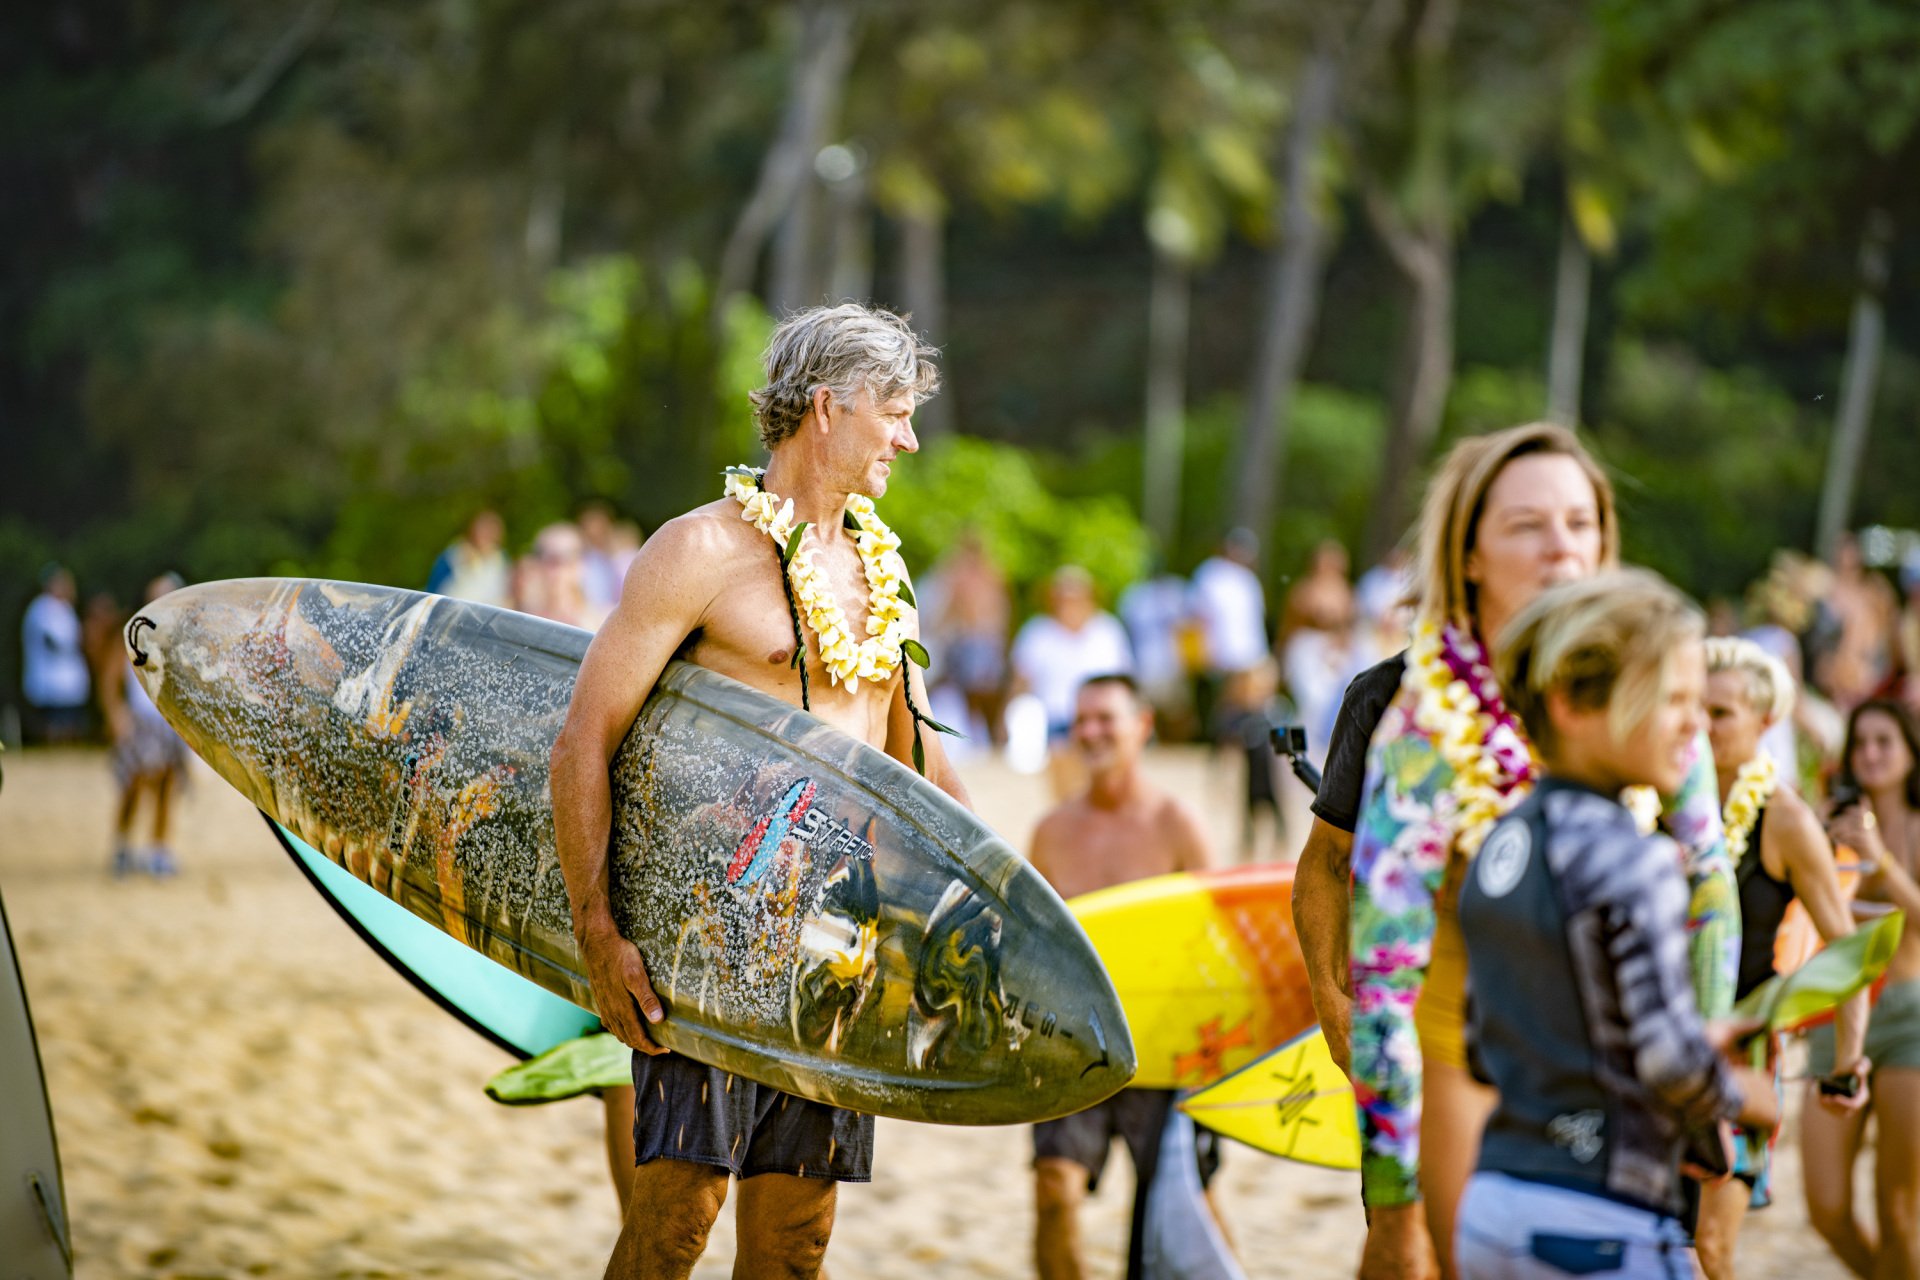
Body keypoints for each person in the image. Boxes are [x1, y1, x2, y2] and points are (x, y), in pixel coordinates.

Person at [549, 303, 965, 1280]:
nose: (906, 436)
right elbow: (583, 741)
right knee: (676, 1220)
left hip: (835, 943)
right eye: (894, 412)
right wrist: (597, 931)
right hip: (707, 933)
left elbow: (917, 763)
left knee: (794, 1241)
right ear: (828, 406)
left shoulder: (881, 565)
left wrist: (998, 890)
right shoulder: (698, 552)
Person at [1290, 423, 1737, 1278]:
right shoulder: (1415, 720)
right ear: (1468, 553)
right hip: (1465, 1040)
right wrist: (1390, 1204)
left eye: (1581, 524)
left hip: (1637, 1039)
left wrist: (1705, 1062)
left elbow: (1709, 872)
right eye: (1528, 525)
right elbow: (1382, 971)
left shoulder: (1652, 688)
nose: (1561, 548)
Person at [1455, 570, 1779, 1279]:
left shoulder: (1503, 844)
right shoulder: (1635, 859)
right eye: (1672, 699)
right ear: (1572, 703)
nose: (1695, 723)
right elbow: (1667, 1066)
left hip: (1494, 1204)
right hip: (1601, 1221)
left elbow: (1484, 1043)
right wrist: (1741, 1095)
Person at [1027, 673, 1220, 1280]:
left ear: (1143, 726)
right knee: (1054, 1192)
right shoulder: (1052, 832)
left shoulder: (1177, 824)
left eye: (1105, 719)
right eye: (1080, 720)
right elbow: (1033, 948)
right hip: (1074, 1044)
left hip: (1165, 1048)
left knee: (1190, 1210)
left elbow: (1218, 947)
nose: (1090, 732)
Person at [1693, 637, 1869, 1278]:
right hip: (1654, 1046)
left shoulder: (1783, 819)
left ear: (1766, 723)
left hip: (1743, 1056)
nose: (1702, 725)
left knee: (1710, 1251)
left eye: (1722, 713)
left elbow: (1846, 950)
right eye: (1694, 708)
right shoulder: (1654, 797)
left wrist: (1848, 1060)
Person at [1804, 699, 1920, 1280]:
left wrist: (1884, 863)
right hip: (1836, 1014)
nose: (1870, 754)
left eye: (1885, 741)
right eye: (1860, 743)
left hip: (1909, 1018)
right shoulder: (1830, 823)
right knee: (1825, 1208)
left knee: (1901, 1214)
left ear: (1910, 752)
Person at [1010, 566, 1133, 799]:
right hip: (1056, 720)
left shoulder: (1107, 630)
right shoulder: (1037, 633)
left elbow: (1124, 681)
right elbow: (1021, 682)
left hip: (1102, 720)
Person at [101, 573, 193, 876]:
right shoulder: (131, 633)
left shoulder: (182, 636)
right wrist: (116, 715)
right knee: (132, 786)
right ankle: (123, 846)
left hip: (168, 722)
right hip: (140, 722)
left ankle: (159, 849)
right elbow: (111, 679)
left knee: (168, 787)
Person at [1190, 529, 1269, 731]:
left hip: (1246, 656)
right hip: (1225, 656)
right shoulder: (1210, 574)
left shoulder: (1245, 578)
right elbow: (1198, 617)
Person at [21, 564, 90, 744]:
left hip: (67, 682)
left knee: (69, 725)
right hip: (51, 681)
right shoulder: (42, 608)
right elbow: (54, 641)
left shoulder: (65, 609)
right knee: (54, 726)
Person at [426, 510, 512, 607]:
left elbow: (504, 592)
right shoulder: (455, 553)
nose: (486, 534)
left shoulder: (500, 561)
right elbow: (436, 587)